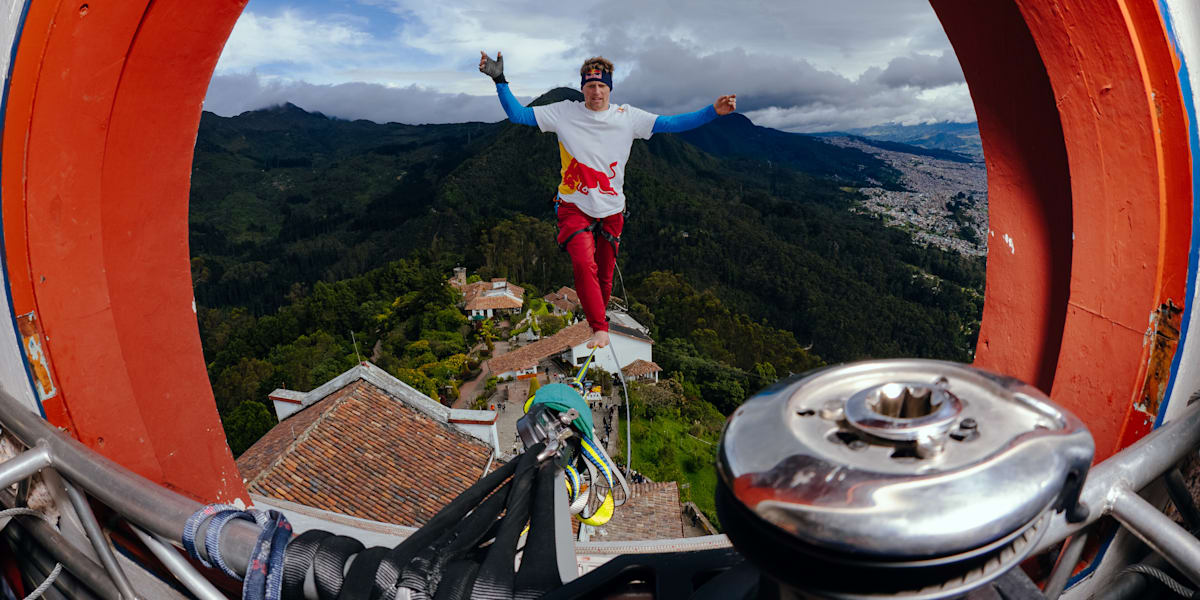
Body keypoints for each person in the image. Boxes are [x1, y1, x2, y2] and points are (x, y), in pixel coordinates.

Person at [479, 51, 736, 348]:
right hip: (573, 206)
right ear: (582, 88)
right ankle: (599, 327)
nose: (596, 91)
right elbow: (518, 115)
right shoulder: (564, 112)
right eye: (590, 86)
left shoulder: (627, 117)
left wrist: (712, 112)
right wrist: (499, 79)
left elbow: (672, 123)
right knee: (583, 263)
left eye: (602, 86)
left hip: (613, 210)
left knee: (605, 274)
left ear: (610, 88)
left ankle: (597, 321)